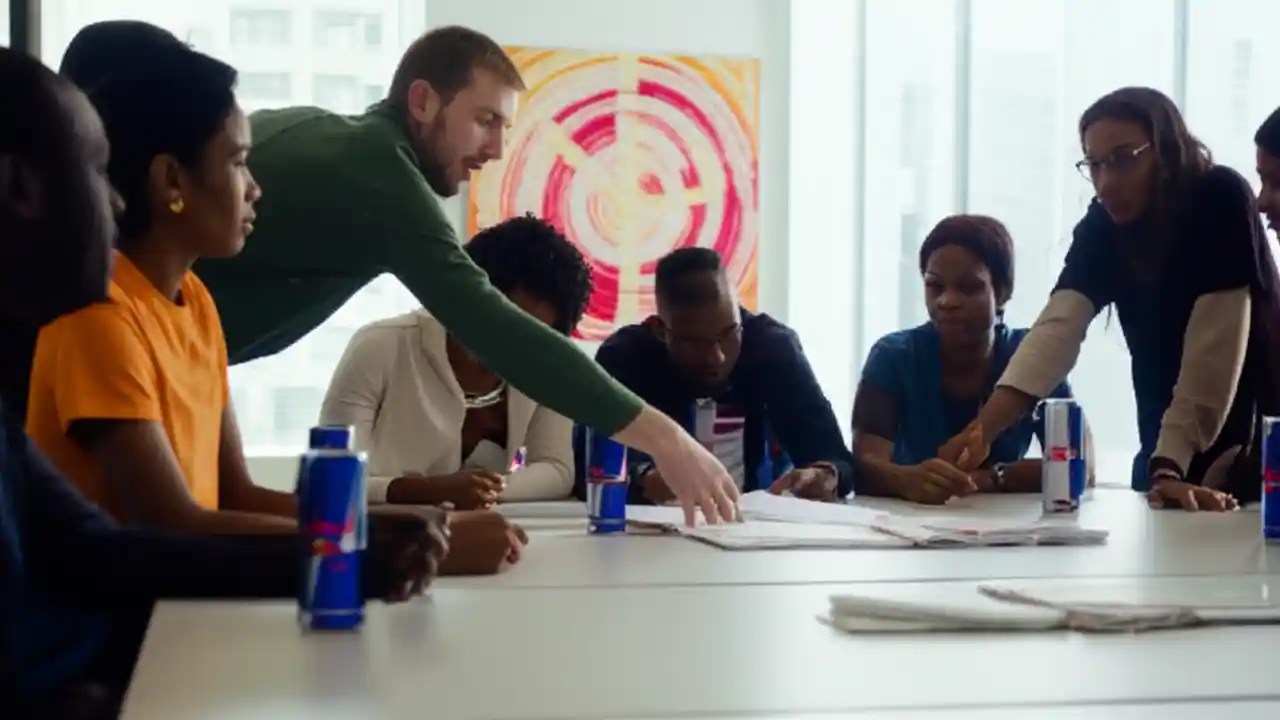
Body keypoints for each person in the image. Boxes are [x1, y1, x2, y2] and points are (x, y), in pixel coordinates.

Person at [60, 21, 739, 526]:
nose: (496, 150)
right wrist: (662, 436)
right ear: (422, 102)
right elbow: (496, 328)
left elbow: (226, 503)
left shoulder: (200, 305)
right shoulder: (378, 178)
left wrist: (407, 527)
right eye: (483, 121)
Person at [0, 48, 444, 718]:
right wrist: (348, 552)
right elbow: (160, 530)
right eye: (94, 171)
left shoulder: (196, 303)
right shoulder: (98, 321)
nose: (115, 199)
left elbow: (96, 550)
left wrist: (365, 549)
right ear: (20, 190)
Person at [941, 87, 1280, 512]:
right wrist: (980, 434)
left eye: (1123, 159)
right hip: (1161, 451)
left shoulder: (1217, 197)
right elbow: (1056, 331)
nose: (1105, 183)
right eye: (1094, 165)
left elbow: (1213, 355)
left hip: (1243, 456)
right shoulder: (1105, 223)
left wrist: (1169, 466)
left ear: (1167, 150)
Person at [321, 214, 588, 508]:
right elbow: (333, 478)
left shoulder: (545, 364)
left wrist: (485, 490)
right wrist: (427, 491)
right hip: (382, 541)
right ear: (467, 295)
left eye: (534, 337)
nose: (515, 346)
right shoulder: (380, 346)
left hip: (486, 537)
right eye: (506, 324)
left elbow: (557, 470)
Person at [852, 215, 1093, 504]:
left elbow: (1080, 466)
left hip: (1002, 529)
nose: (947, 301)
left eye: (968, 287)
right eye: (935, 286)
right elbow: (864, 465)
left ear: (1003, 292)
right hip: (912, 522)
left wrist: (993, 477)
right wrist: (907, 480)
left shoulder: (1031, 357)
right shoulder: (894, 356)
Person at [592, 247, 855, 504]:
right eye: (695, 343)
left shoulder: (772, 348)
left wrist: (824, 474)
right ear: (660, 331)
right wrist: (644, 478)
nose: (716, 356)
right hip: (650, 534)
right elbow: (590, 464)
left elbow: (836, 458)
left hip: (759, 528)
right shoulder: (624, 358)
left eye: (729, 334)